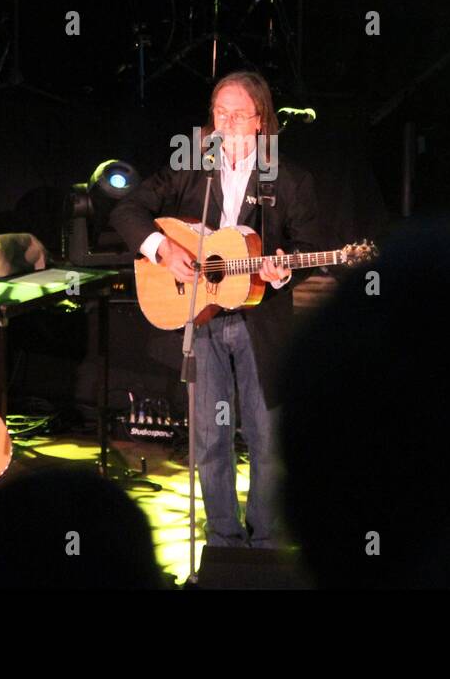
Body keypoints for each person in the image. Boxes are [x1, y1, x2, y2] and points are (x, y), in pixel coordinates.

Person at [110, 71, 321, 548]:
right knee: (209, 440)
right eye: (219, 113)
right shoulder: (191, 170)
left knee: (266, 441)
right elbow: (126, 210)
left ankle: (264, 545)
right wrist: (162, 249)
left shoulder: (289, 179)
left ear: (261, 119)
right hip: (200, 319)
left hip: (260, 323)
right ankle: (223, 542)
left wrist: (281, 271)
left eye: (237, 114)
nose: (225, 123)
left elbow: (308, 248)